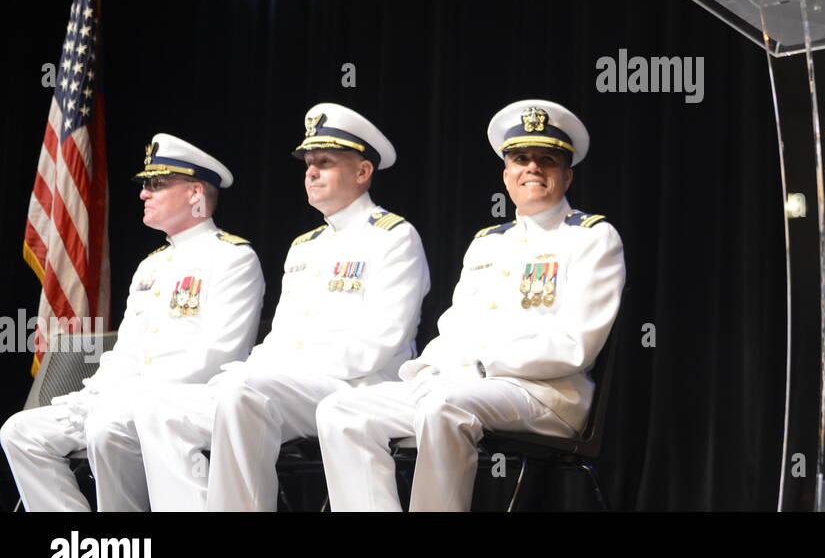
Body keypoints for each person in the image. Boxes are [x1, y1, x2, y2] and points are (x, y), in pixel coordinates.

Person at [316, 99, 625, 511]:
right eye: (521, 159)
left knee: (445, 406)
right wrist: (428, 368)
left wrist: (481, 366)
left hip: (546, 394)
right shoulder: (488, 241)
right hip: (463, 385)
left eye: (546, 159)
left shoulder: (593, 237)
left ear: (566, 176)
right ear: (507, 174)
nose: (532, 167)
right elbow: (457, 325)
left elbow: (575, 345)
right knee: (341, 410)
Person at [133, 103, 431, 510]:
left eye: (324, 162)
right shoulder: (304, 246)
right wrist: (255, 368)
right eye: (308, 163)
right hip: (286, 389)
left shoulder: (394, 236)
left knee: (243, 391)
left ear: (363, 173)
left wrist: (273, 373)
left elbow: (378, 342)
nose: (310, 172)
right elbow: (280, 338)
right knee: (161, 409)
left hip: (358, 387)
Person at [1, 135, 264, 511]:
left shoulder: (233, 259)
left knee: (106, 427)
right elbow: (126, 352)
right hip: (121, 397)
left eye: (156, 184)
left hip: (184, 401)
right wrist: (97, 391)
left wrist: (131, 393)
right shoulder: (151, 266)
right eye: (145, 184)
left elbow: (219, 354)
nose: (144, 193)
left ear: (194, 193)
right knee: (20, 432)